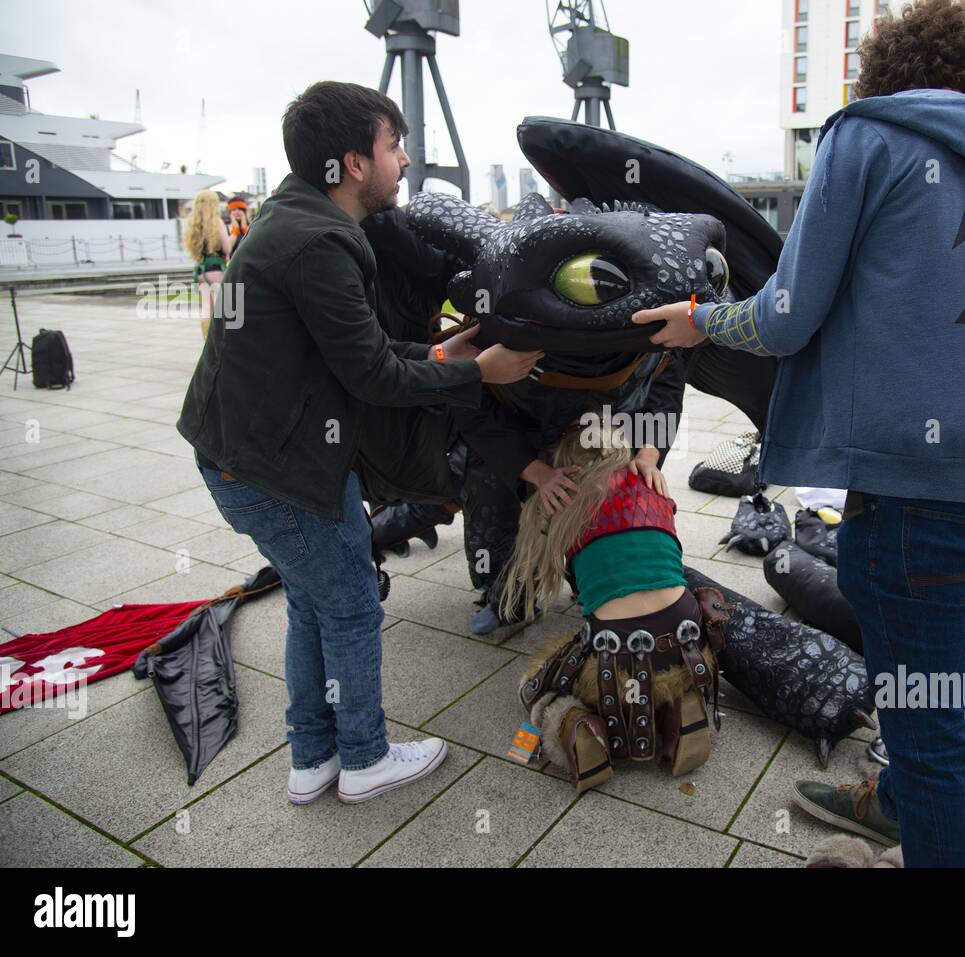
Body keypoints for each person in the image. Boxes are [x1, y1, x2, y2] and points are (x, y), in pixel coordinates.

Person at [632, 0, 965, 866]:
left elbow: (789, 317)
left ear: (890, 71)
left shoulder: (865, 140)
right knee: (930, 673)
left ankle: (918, 808)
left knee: (928, 726)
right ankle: (897, 805)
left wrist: (700, 319)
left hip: (913, 494)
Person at [177, 80, 544, 806]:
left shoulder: (294, 218)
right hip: (277, 469)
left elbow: (356, 350)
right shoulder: (319, 243)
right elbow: (373, 375)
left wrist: (440, 355)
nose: (405, 161)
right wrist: (478, 372)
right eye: (393, 146)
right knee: (348, 604)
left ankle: (313, 756)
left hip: (250, 454)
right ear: (350, 163)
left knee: (315, 604)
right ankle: (367, 758)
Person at [505, 422, 727, 792]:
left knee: (541, 683)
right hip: (686, 634)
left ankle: (576, 724)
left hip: (617, 646)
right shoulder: (651, 481)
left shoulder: (563, 499)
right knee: (659, 658)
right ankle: (676, 709)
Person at [182, 189, 233, 338]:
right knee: (222, 310)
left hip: (200, 270)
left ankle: (207, 340)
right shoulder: (217, 222)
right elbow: (226, 247)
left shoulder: (193, 224)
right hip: (217, 269)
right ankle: (221, 341)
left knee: (206, 310)